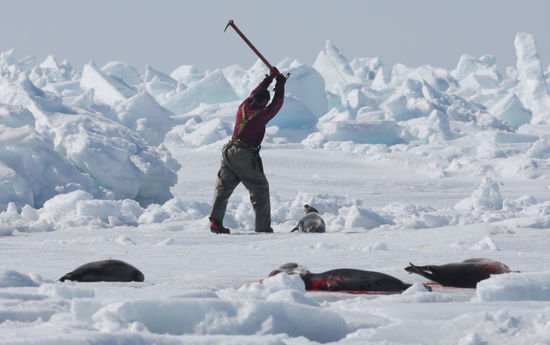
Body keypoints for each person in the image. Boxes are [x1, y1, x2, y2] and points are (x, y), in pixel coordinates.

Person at [209, 66, 286, 234]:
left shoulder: (243, 106)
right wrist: (280, 83)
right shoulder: (261, 115)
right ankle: (263, 227)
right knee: (260, 188)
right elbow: (277, 104)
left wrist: (269, 79)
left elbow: (255, 93)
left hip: (228, 151)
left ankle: (216, 222)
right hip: (244, 154)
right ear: (263, 102)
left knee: (224, 188)